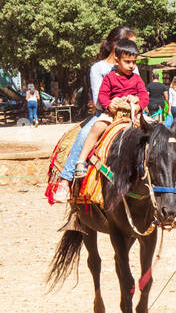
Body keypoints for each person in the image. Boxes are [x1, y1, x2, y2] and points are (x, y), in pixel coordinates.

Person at [54, 25, 136, 203]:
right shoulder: (99, 68)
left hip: (131, 112)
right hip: (106, 112)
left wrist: (135, 103)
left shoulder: (132, 67)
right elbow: (99, 99)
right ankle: (66, 179)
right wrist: (113, 103)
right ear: (116, 45)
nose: (133, 50)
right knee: (85, 133)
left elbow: (140, 91)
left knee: (161, 135)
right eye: (130, 44)